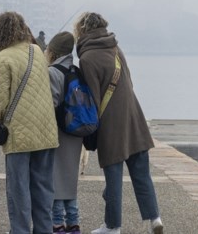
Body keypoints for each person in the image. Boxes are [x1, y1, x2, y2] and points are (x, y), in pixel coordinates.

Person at [74, 12, 163, 234]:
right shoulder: (115, 48)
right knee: (142, 174)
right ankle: (154, 219)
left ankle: (113, 226)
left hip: (111, 124)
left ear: (82, 30)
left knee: (113, 179)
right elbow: (129, 80)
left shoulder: (87, 58)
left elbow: (92, 98)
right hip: (134, 117)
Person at [0, 11, 58, 234]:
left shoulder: (3, 58)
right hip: (46, 132)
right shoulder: (37, 51)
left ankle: (20, 231)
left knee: (19, 192)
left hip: (19, 134)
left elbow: (0, 100)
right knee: (43, 190)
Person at [46, 32, 83, 234]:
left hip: (58, 132)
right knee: (70, 180)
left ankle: (57, 225)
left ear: (53, 51)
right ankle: (74, 224)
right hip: (75, 132)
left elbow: (50, 104)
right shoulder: (75, 69)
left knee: (56, 181)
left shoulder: (53, 72)